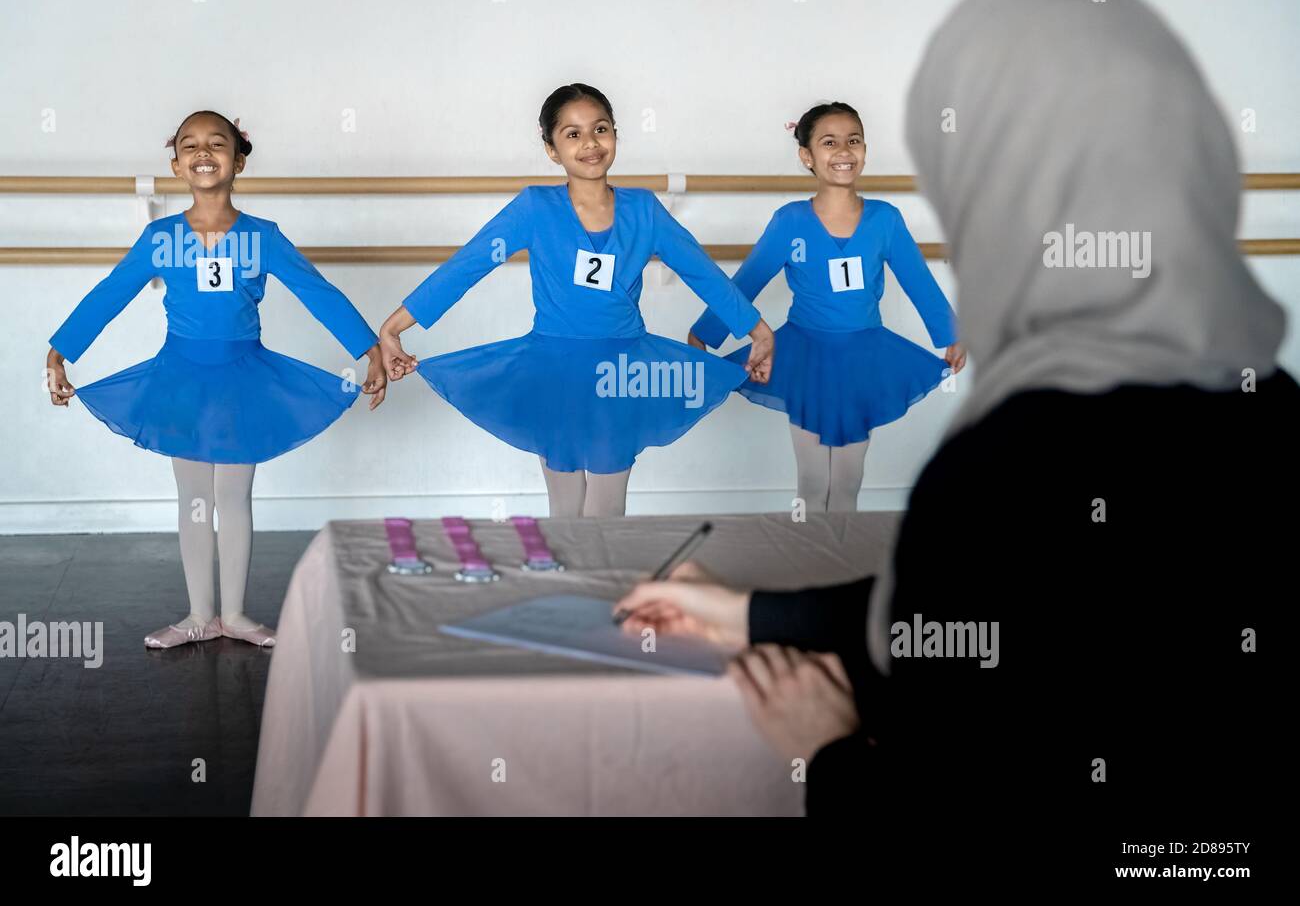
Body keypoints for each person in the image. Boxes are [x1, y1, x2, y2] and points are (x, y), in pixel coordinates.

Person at [614, 0, 1295, 837]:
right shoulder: (1274, 414)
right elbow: (1007, 606)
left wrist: (828, 755)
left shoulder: (1002, 465)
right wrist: (757, 613)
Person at [46, 110, 386, 649]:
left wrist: (369, 348)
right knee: (192, 498)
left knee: (233, 495)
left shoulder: (263, 237)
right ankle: (198, 614)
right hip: (179, 376)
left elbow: (317, 291)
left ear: (239, 160)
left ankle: (235, 614)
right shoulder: (160, 237)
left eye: (217, 143)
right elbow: (112, 292)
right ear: (177, 164)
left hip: (243, 376)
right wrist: (61, 349)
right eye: (191, 144)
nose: (204, 152)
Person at [378, 83, 774, 517]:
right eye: (572, 134)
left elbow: (702, 271)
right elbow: (469, 264)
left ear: (616, 135)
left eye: (600, 129)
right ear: (551, 149)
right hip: (553, 368)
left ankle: (603, 583)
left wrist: (757, 330)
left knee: (607, 507)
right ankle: (569, 581)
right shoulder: (535, 207)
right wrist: (394, 326)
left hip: (623, 372)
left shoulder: (644, 209)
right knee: (565, 509)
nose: (590, 143)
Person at [690, 102, 965, 512]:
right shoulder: (790, 221)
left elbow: (918, 281)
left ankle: (842, 564)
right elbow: (748, 281)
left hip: (865, 356)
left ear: (865, 150)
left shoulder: (884, 220)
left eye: (853, 141)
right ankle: (809, 566)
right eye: (829, 142)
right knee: (814, 480)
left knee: (850, 481)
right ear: (808, 156)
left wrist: (950, 333)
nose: (843, 151)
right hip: (805, 357)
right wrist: (706, 332)